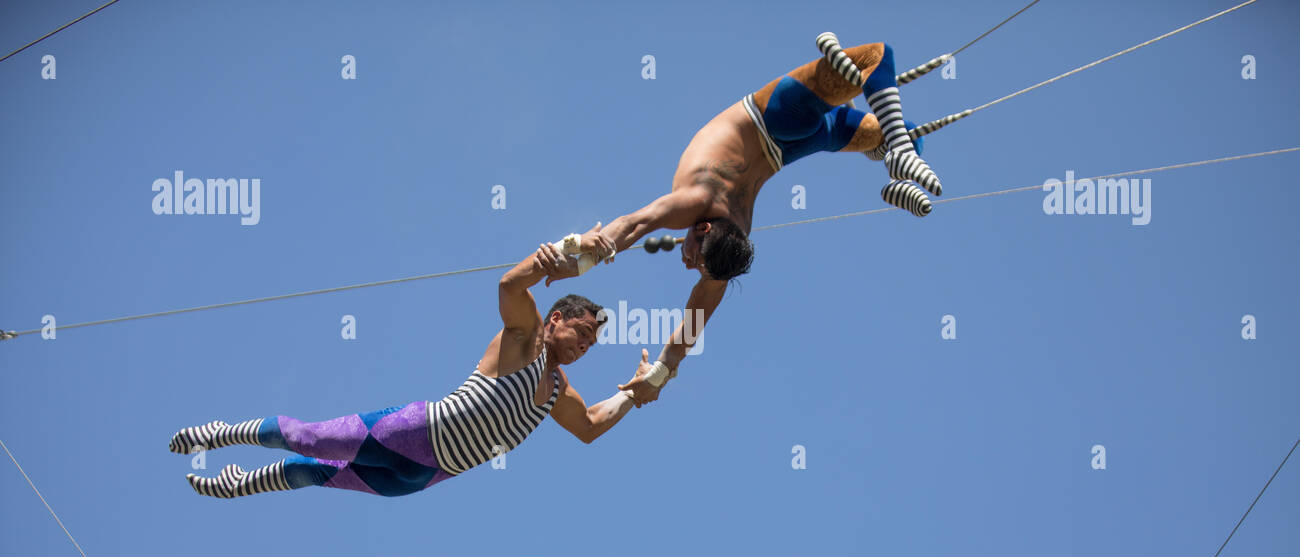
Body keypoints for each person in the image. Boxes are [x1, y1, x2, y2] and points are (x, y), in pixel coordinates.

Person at [549, 36, 942, 405]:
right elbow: (633, 227)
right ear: (704, 229)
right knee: (877, 58)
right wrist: (580, 256)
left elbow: (684, 308)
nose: (687, 262)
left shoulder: (731, 233)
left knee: (874, 121)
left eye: (694, 263)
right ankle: (899, 150)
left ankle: (896, 148)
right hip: (778, 118)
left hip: (798, 143)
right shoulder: (697, 202)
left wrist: (581, 257)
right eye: (695, 262)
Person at [169, 226, 650, 498]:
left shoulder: (557, 393)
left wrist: (632, 392)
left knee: (312, 470)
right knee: (309, 437)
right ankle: (221, 433)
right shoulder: (525, 340)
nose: (584, 346)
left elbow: (588, 426)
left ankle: (240, 483)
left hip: (423, 476)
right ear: (555, 320)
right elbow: (509, 286)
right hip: (415, 431)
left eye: (591, 345)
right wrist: (562, 253)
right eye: (582, 333)